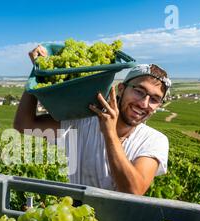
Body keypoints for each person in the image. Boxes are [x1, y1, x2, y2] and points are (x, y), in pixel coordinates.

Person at [13, 45, 172, 195]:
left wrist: (109, 134)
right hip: (77, 219)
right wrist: (38, 73)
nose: (144, 103)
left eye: (154, 99)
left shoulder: (154, 141)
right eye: (139, 91)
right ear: (121, 89)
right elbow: (25, 124)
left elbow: (132, 191)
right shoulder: (82, 121)